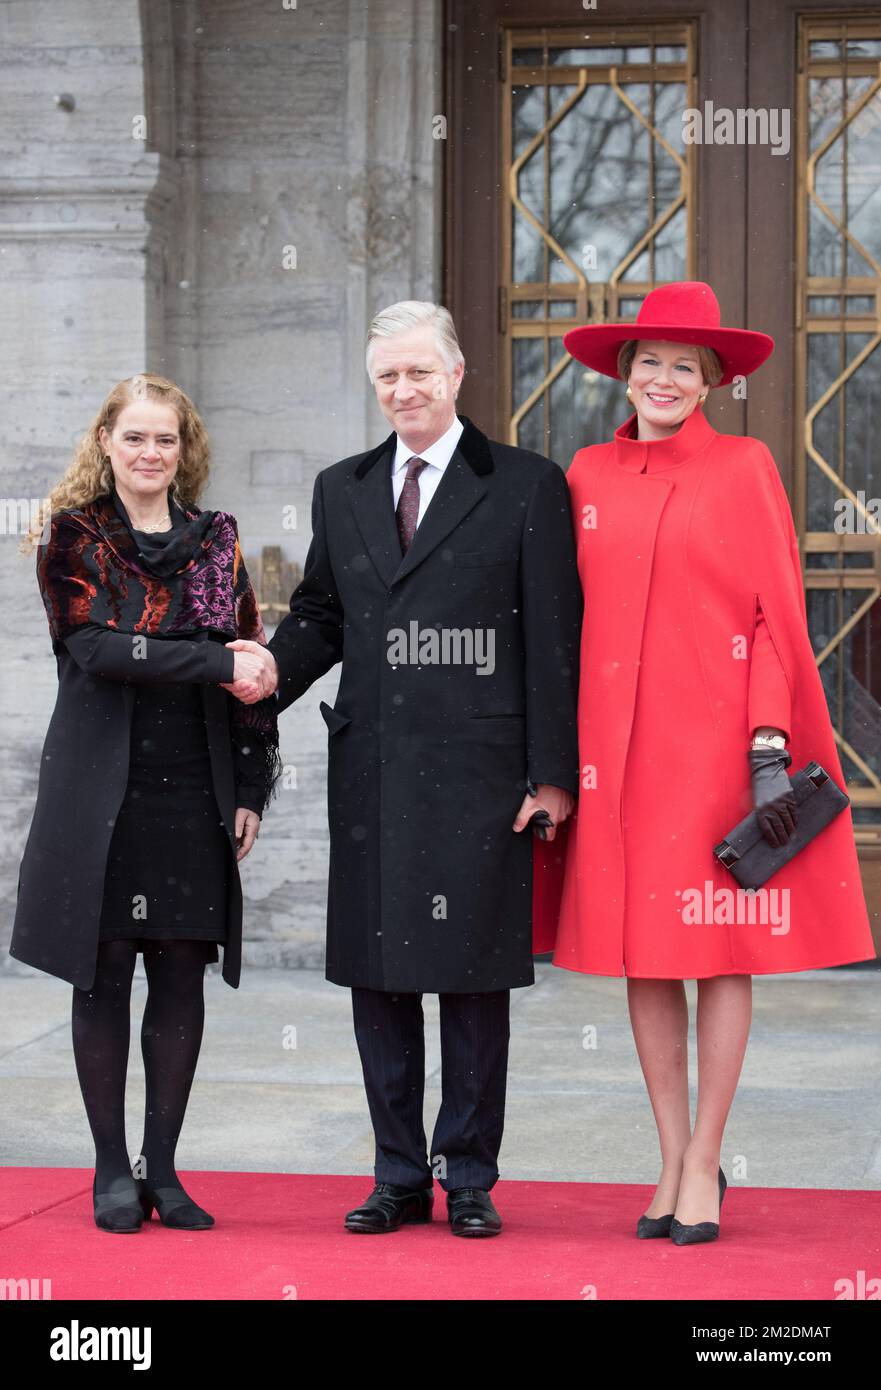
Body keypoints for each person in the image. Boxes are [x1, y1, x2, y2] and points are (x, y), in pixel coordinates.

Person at [226, 301, 582, 1236]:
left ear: (456, 375)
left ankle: (467, 1173)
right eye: (388, 375)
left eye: (419, 372)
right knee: (379, 980)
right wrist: (266, 670)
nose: (403, 390)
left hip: (483, 776)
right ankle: (395, 1174)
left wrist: (551, 773)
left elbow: (551, 638)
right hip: (374, 772)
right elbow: (322, 614)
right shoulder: (341, 488)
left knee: (470, 981)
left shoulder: (523, 484)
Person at [537, 281, 876, 1245]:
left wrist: (768, 739)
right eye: (649, 361)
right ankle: (668, 1153)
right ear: (623, 371)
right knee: (645, 954)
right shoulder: (586, 475)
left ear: (713, 381)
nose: (665, 379)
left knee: (719, 949)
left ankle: (705, 1160)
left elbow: (775, 613)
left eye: (686, 366)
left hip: (721, 746)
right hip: (615, 751)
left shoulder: (744, 467)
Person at [11, 373, 281, 1233]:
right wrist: (210, 662)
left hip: (192, 782)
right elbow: (96, 649)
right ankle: (107, 1172)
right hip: (100, 785)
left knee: (178, 975)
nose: (150, 452)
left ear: (182, 448)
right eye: (134, 437)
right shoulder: (75, 537)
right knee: (104, 973)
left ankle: (161, 1170)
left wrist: (247, 787)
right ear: (106, 444)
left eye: (164, 439)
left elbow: (247, 665)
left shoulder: (216, 540)